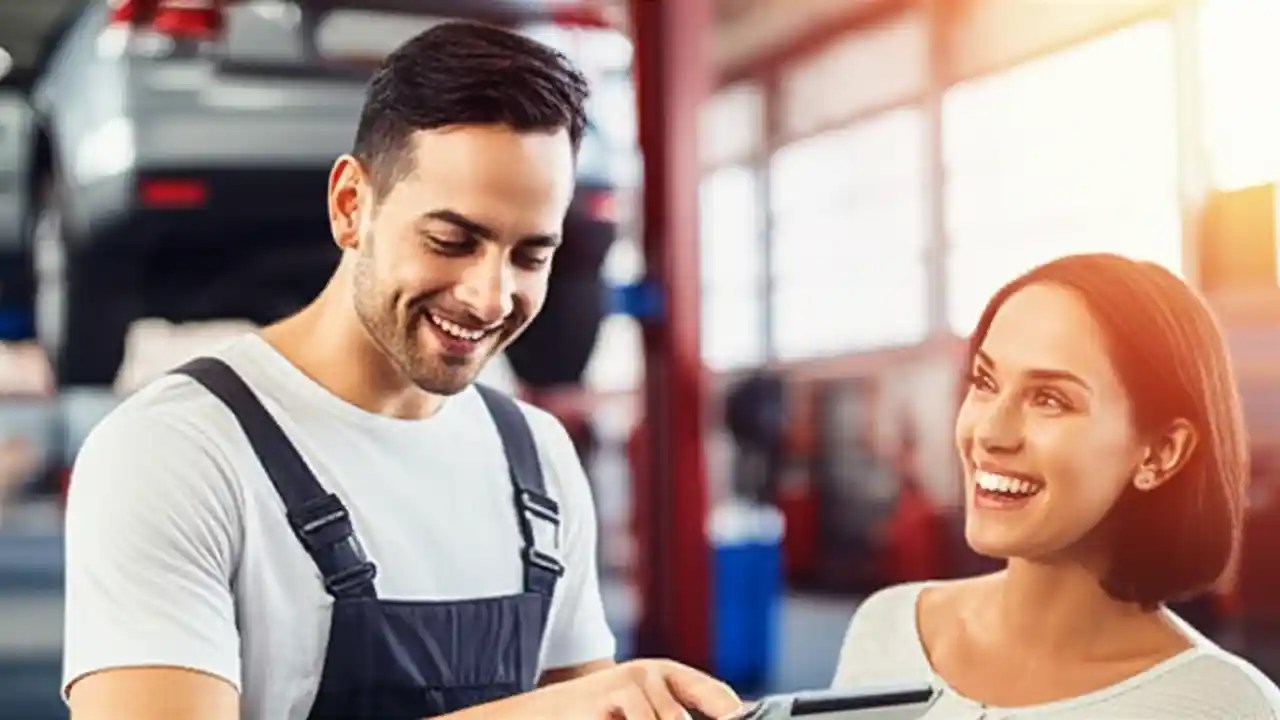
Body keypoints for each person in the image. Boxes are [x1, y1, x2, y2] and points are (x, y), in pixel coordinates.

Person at [60, 21, 742, 720]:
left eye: (532, 256)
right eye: (452, 240)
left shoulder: (537, 459)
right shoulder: (175, 454)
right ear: (351, 206)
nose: (490, 296)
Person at [831, 253, 1280, 718]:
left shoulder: (1226, 707)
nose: (989, 432)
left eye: (1049, 399)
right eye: (985, 381)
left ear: (1161, 452)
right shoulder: (886, 626)